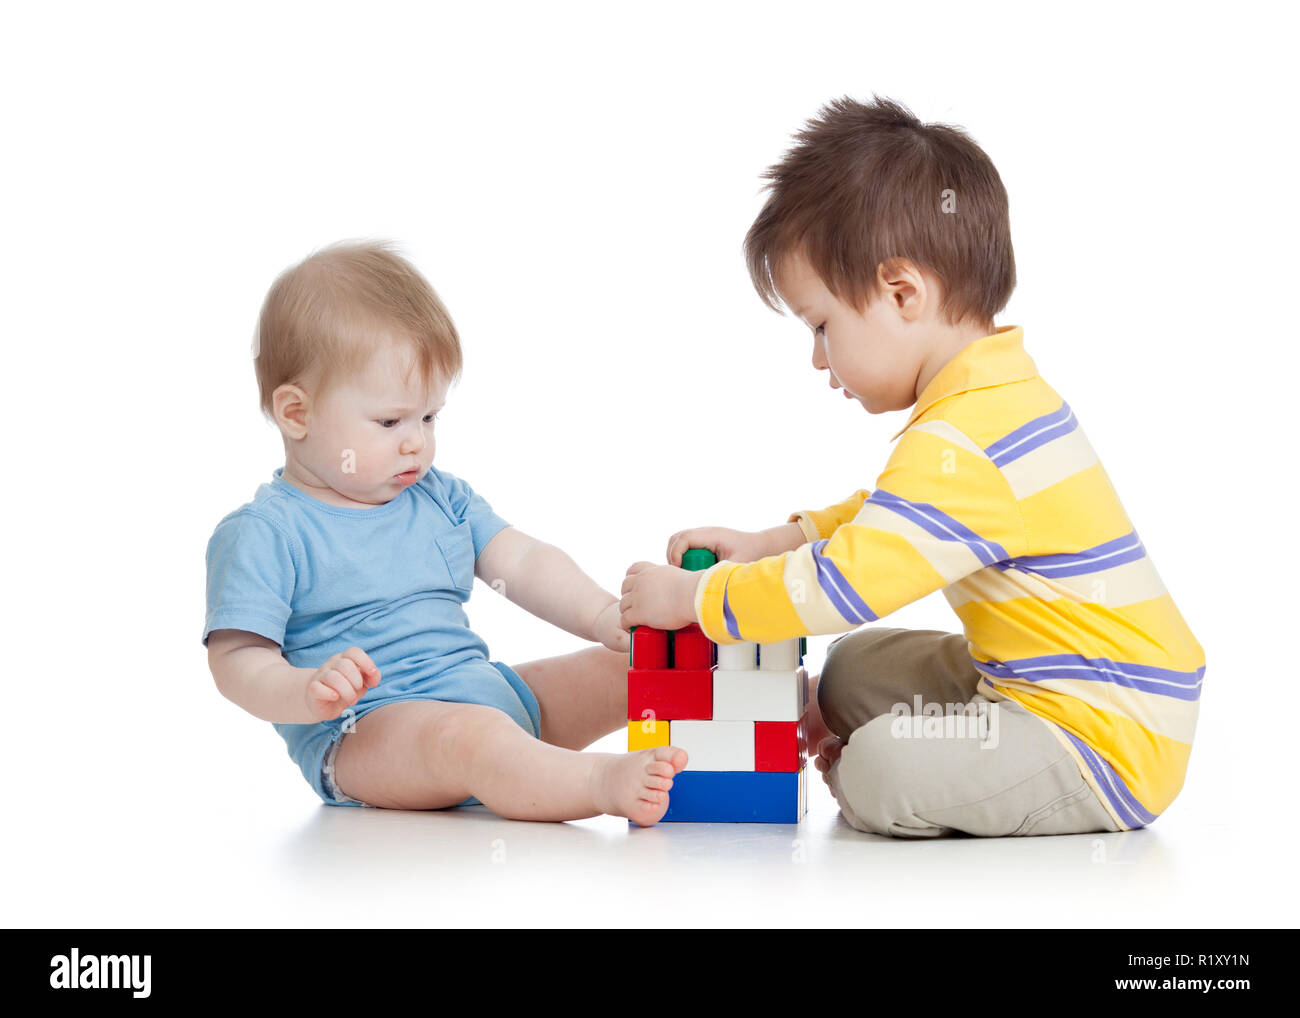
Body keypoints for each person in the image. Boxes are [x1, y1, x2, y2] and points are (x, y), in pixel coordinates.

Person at [619, 96, 1205, 838]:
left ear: (902, 293)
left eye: (823, 326)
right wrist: (775, 542)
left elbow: (848, 585)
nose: (817, 358)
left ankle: (898, 767)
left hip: (1105, 740)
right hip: (1042, 684)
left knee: (876, 773)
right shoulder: (990, 396)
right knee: (850, 672)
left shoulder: (967, 431)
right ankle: (930, 746)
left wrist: (699, 599)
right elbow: (890, 517)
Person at [203, 239, 686, 825]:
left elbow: (524, 561)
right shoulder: (267, 532)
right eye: (389, 421)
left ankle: (781, 719)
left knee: (635, 665)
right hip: (370, 736)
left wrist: (604, 615)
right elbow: (237, 659)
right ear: (296, 413)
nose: (416, 441)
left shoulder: (438, 495)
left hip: (487, 695)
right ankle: (598, 781)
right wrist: (303, 690)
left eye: (429, 417)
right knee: (471, 736)